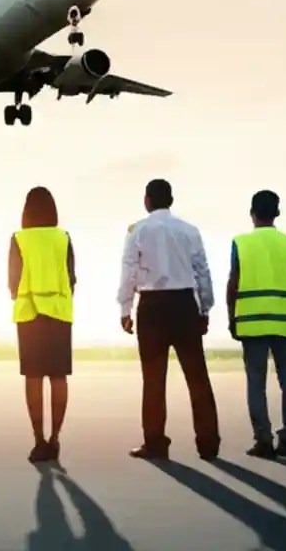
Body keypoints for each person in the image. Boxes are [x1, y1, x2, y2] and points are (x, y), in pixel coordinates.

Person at [118, 179, 220, 460]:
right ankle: (208, 442)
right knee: (197, 376)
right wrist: (205, 308)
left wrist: (125, 309)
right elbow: (202, 271)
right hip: (184, 304)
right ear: (171, 200)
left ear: (147, 200)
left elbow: (129, 271)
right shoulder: (189, 230)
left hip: (151, 307)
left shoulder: (138, 230)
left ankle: (154, 441)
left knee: (153, 378)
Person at [226, 190, 286, 459]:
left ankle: (263, 439)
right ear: (277, 213)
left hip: (253, 323)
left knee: (256, 382)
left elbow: (233, 284)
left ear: (252, 213)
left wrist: (232, 318)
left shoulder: (241, 242)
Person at [8, 187, 76, 463]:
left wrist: (22, 295)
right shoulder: (63, 238)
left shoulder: (19, 239)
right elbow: (71, 276)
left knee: (33, 378)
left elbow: (13, 280)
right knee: (58, 377)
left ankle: (38, 441)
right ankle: (55, 439)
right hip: (59, 313)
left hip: (29, 314)